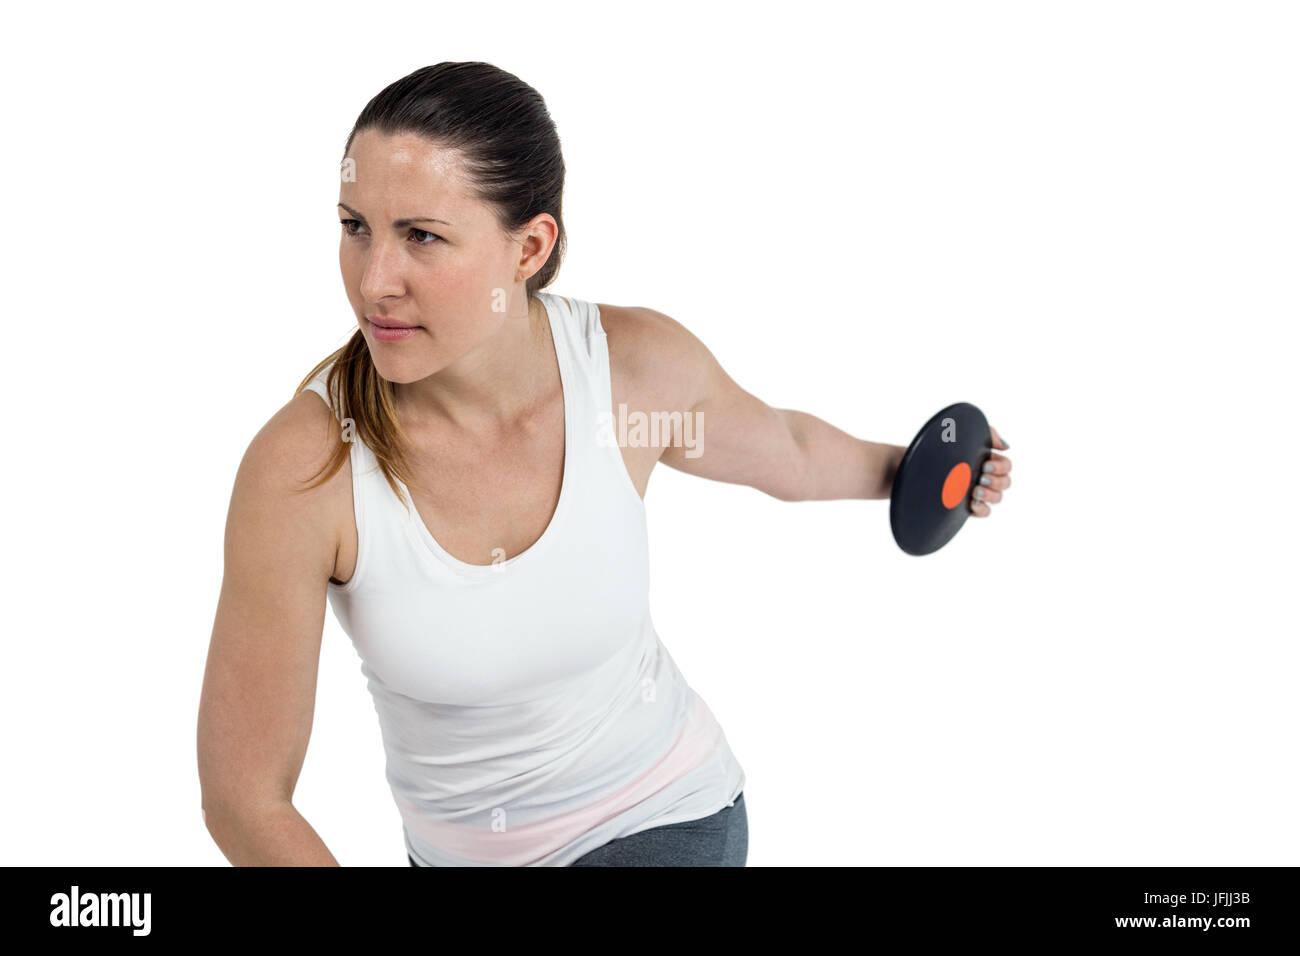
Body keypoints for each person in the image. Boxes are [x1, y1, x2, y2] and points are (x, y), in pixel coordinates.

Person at [196, 61, 1013, 867]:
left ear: (529, 247)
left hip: (661, 818)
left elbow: (789, 454)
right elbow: (245, 797)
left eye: (422, 236)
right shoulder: (305, 469)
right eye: (355, 226)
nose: (375, 280)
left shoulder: (628, 374)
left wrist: (924, 467)